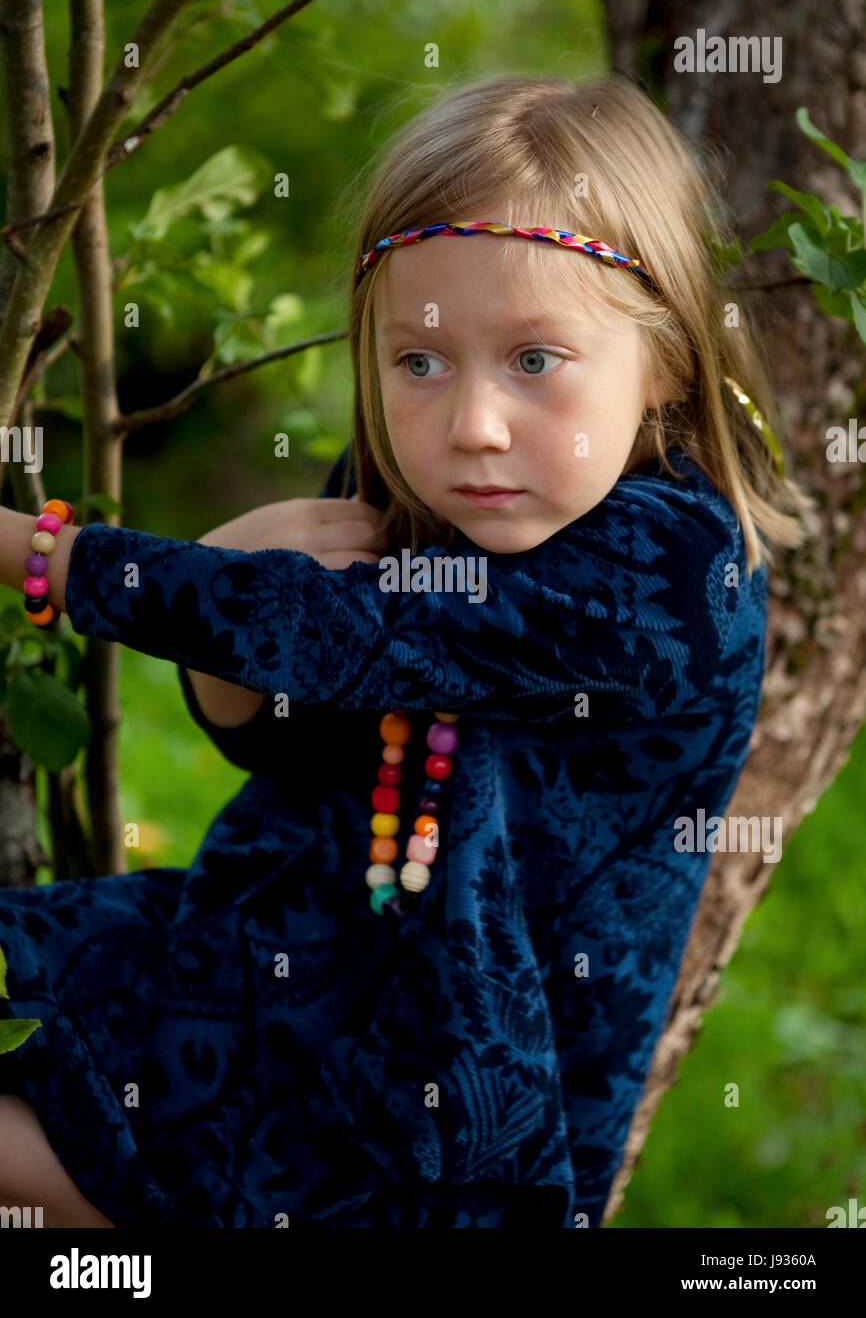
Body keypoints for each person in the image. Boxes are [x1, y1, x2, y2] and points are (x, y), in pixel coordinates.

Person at [0, 72, 812, 1229]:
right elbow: (276, 738)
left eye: (534, 360)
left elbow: (337, 634)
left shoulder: (670, 569)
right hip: (258, 967)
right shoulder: (408, 490)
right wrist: (238, 573)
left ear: (666, 362)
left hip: (422, 1126)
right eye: (418, 363)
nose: (470, 424)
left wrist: (36, 554)